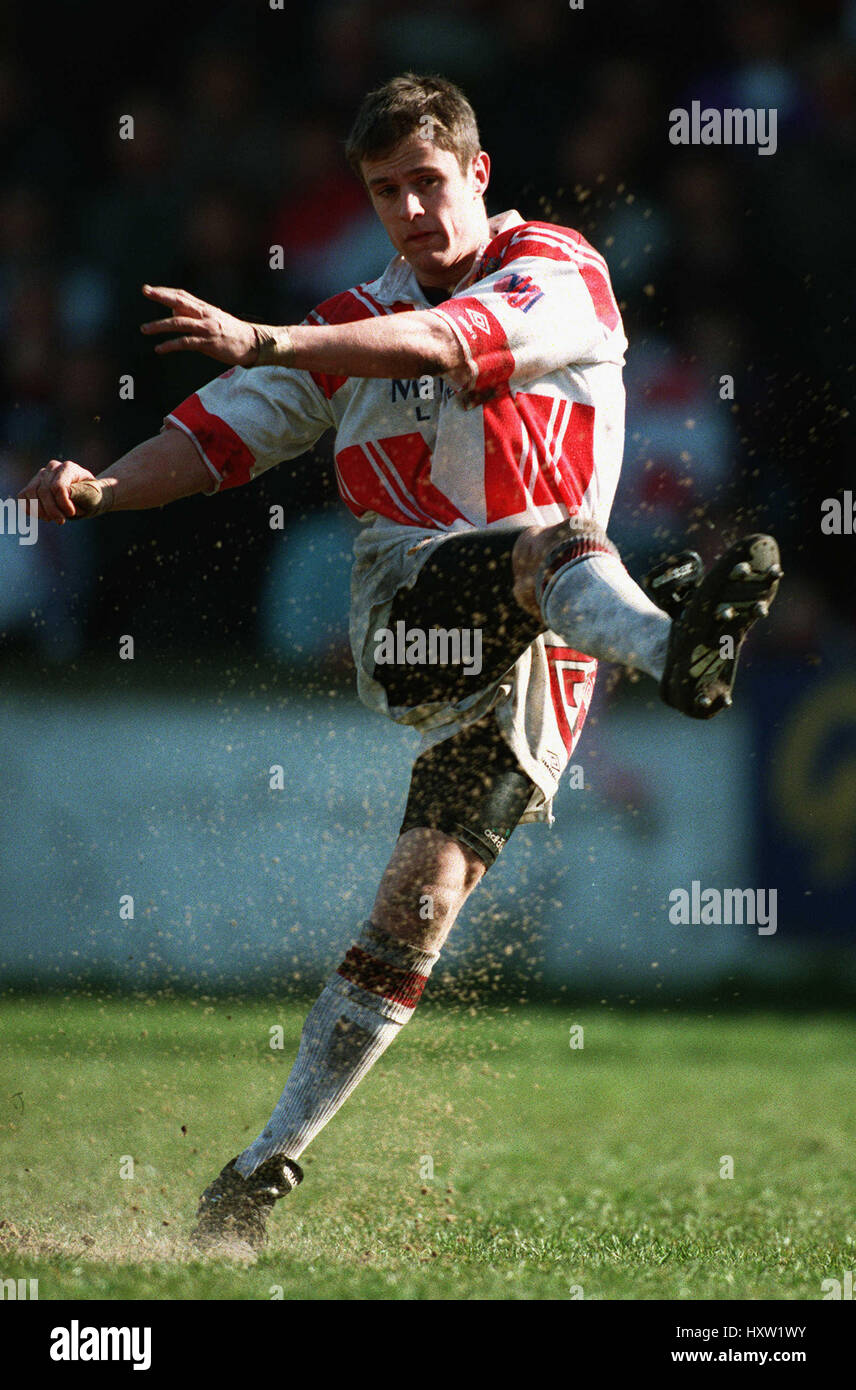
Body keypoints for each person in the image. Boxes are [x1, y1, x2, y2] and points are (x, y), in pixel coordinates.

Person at [20, 73, 781, 1257]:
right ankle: (675, 649)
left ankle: (258, 1167)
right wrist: (106, 485)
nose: (413, 211)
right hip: (420, 620)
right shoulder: (348, 323)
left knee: (417, 905)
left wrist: (272, 331)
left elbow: (446, 340)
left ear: (477, 173)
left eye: (428, 182)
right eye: (386, 192)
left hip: (547, 665)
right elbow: (217, 434)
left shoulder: (559, 274)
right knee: (553, 544)